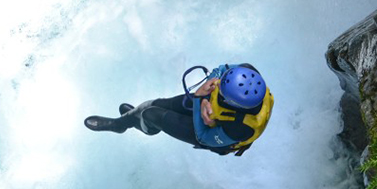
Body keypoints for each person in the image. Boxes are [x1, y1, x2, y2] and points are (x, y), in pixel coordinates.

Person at [84, 63, 273, 156]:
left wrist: (200, 98)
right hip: (208, 104)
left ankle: (144, 124)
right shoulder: (247, 72)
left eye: (221, 89)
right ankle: (120, 124)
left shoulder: (240, 127)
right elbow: (221, 68)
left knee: (150, 114)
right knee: (152, 104)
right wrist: (208, 86)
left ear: (233, 103)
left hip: (213, 132)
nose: (217, 85)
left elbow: (203, 137)